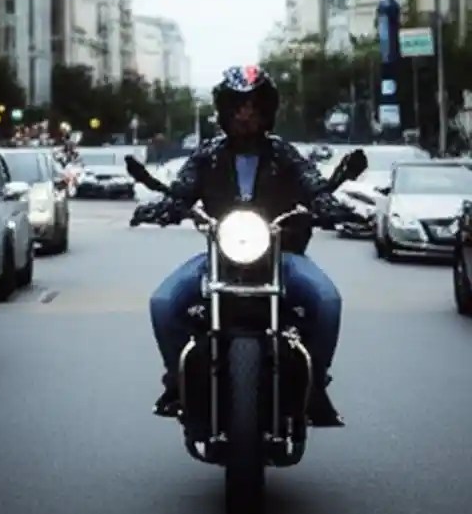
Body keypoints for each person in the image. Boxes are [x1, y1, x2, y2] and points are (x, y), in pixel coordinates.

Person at [131, 65, 366, 428]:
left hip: (281, 256)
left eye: (254, 105)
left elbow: (312, 184)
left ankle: (316, 385)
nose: (246, 113)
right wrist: (163, 207)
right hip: (219, 258)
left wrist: (328, 204)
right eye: (238, 106)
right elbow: (182, 191)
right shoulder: (207, 155)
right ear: (224, 111)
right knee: (163, 303)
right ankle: (177, 382)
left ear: (267, 110)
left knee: (327, 300)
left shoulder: (283, 154)